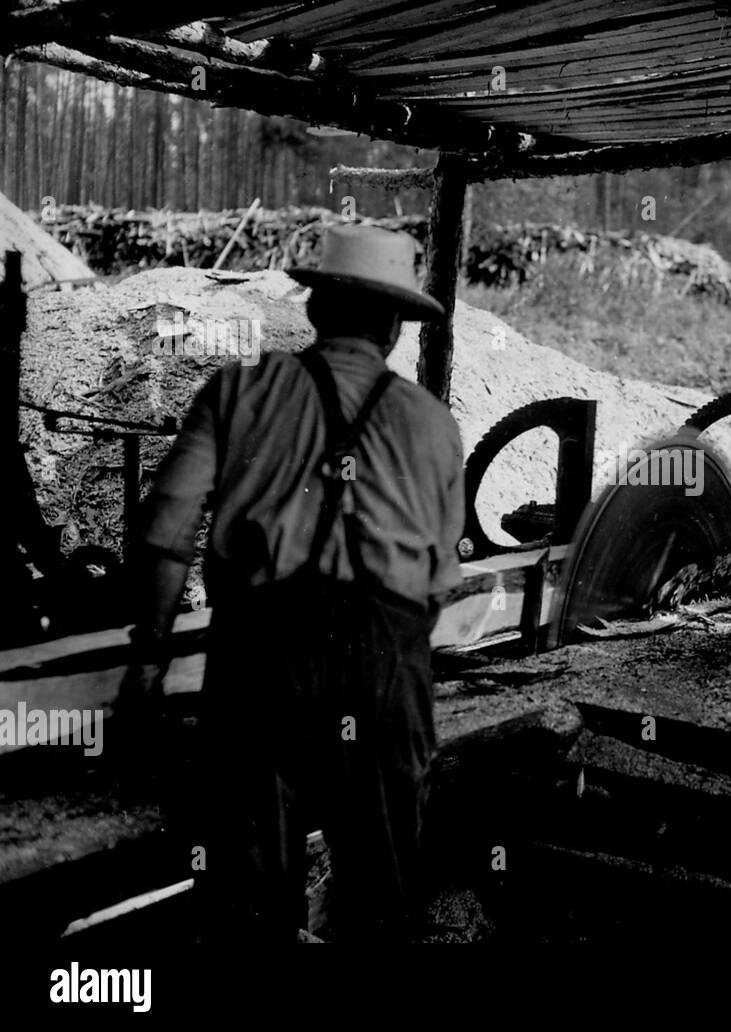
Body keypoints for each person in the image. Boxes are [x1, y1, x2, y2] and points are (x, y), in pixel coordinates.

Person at [116, 224, 465, 942]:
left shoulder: (238, 392)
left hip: (261, 659)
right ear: (396, 328)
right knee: (382, 897)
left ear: (314, 308)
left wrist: (147, 667)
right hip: (382, 663)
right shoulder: (433, 424)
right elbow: (436, 586)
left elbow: (163, 531)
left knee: (248, 906)